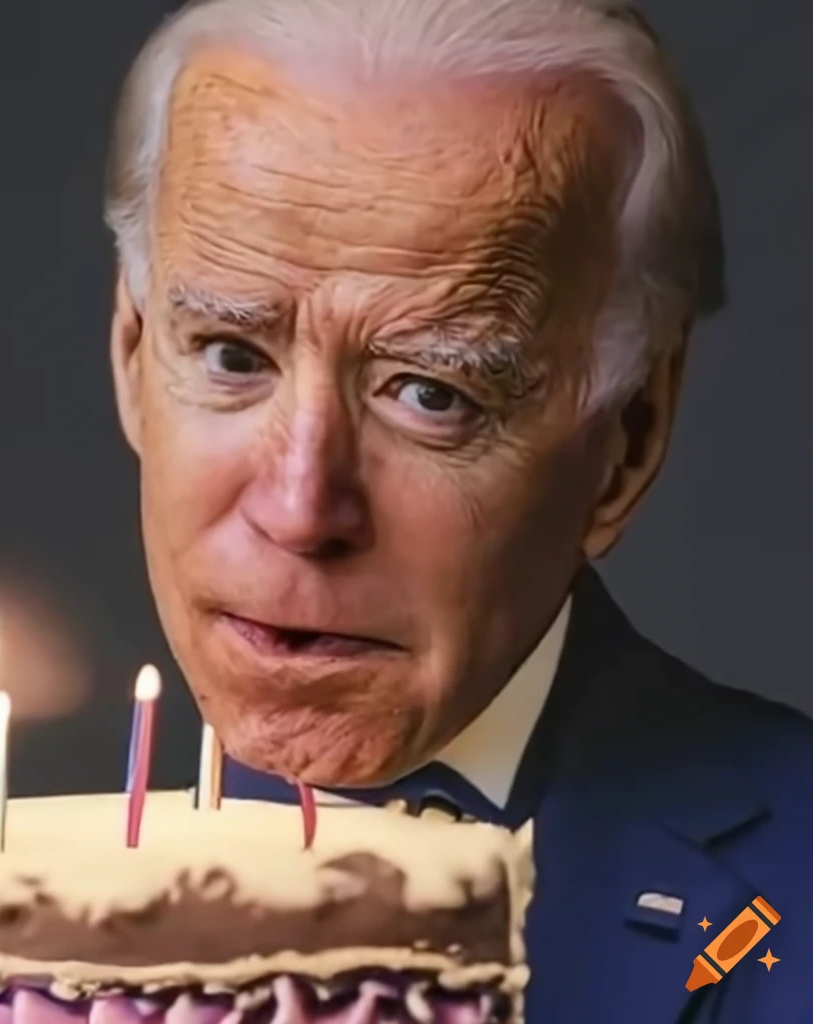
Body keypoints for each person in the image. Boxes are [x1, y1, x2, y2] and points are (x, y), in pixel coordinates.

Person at [102, 1, 813, 1020]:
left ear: (627, 443)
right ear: (133, 359)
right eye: (231, 355)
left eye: (432, 392)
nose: (301, 507)